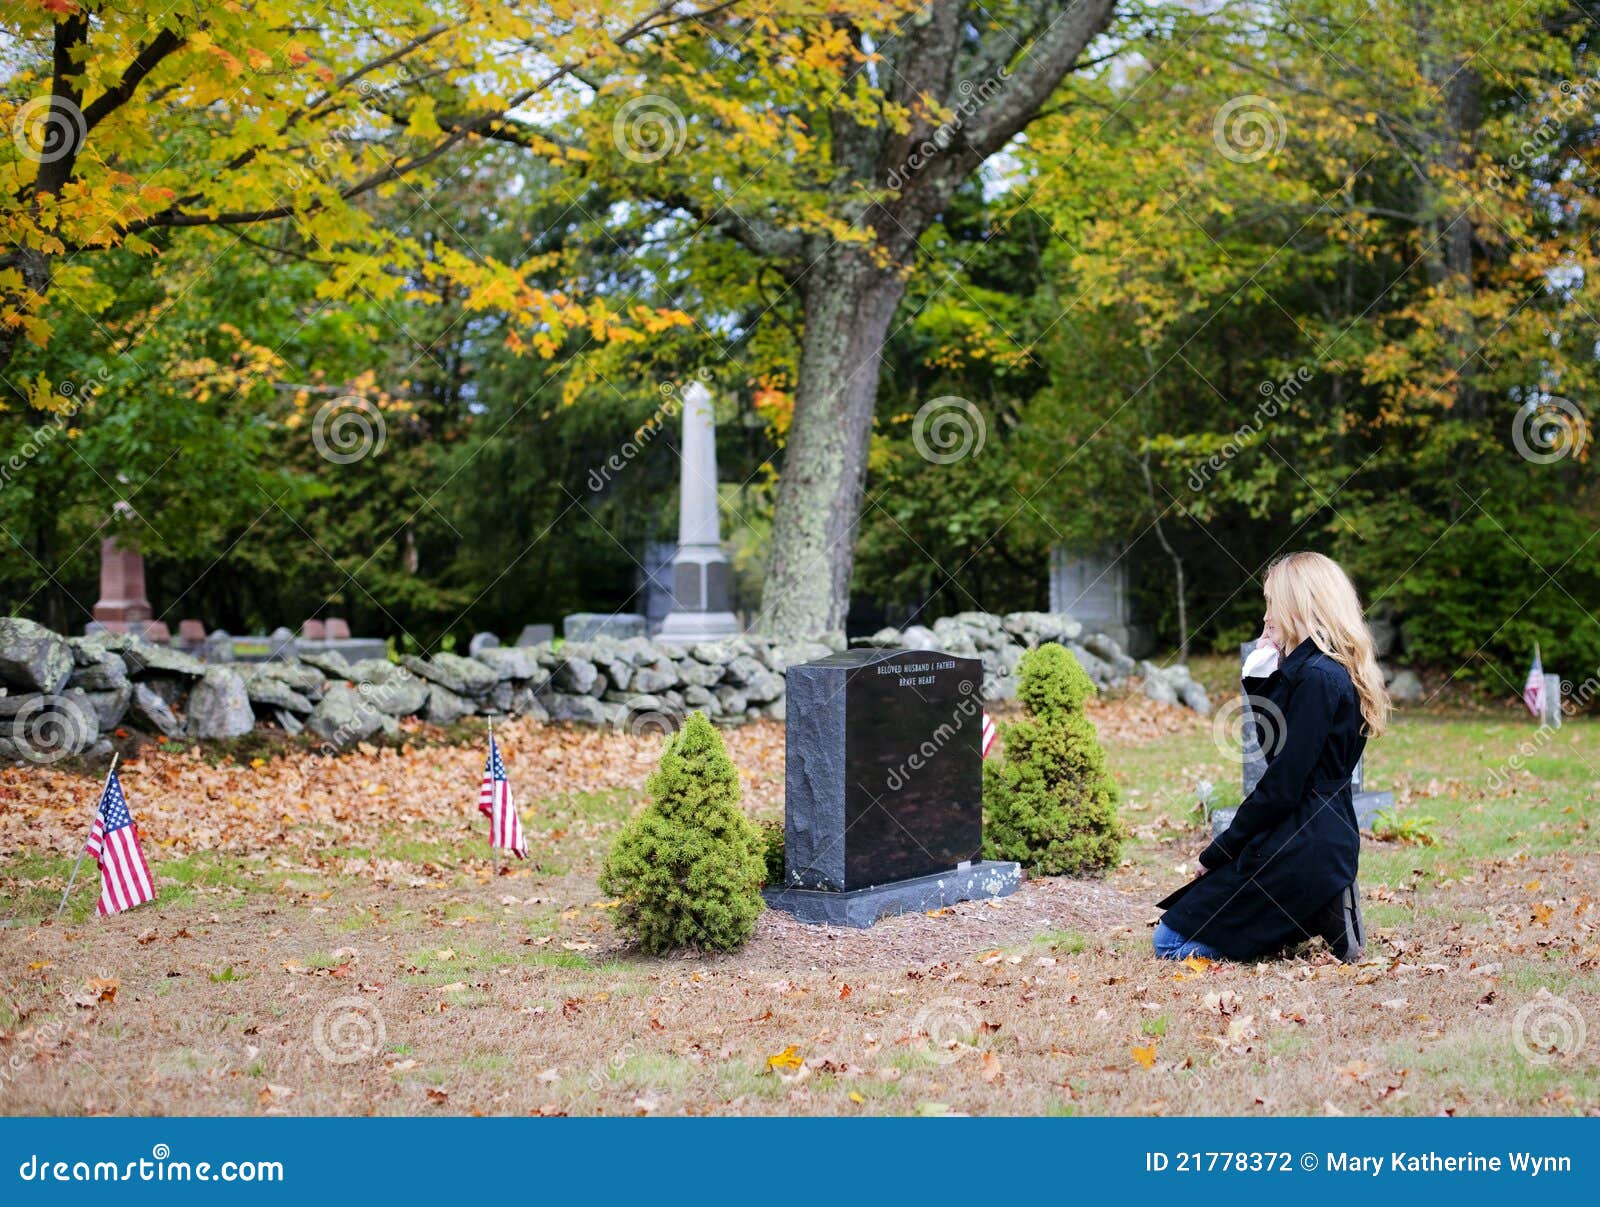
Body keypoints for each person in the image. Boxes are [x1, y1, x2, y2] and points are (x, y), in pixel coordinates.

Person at [1154, 552, 1392, 963]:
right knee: (1184, 919)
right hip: (1310, 836)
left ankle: (1316, 907)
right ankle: (1315, 906)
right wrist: (1260, 675)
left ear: (1298, 604)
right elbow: (1278, 756)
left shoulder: (1318, 677)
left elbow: (1280, 788)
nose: (1267, 616)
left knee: (1169, 942)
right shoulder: (1320, 669)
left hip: (1304, 843)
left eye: (1272, 602)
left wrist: (1218, 852)